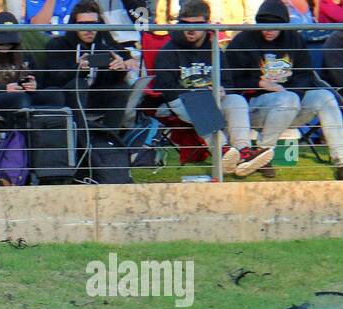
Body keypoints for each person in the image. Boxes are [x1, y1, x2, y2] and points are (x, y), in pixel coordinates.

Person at [154, 0, 275, 177]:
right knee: (200, 101)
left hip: (213, 98)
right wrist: (200, 94)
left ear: (207, 25)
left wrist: (223, 89)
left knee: (236, 100)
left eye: (197, 25)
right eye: (185, 24)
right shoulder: (169, 50)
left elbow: (228, 82)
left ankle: (243, 151)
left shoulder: (214, 49)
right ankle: (222, 151)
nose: (191, 30)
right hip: (181, 101)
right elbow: (166, 87)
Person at [227, 0, 343, 180]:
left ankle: (341, 160)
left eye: (274, 27)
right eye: (264, 26)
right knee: (288, 99)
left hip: (290, 104)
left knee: (325, 97)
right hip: (255, 108)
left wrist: (293, 92)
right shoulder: (243, 40)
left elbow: (305, 75)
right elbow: (230, 79)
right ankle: (262, 154)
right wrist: (259, 83)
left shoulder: (293, 38)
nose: (269, 31)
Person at [42, 0, 139, 127]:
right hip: (64, 97)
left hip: (92, 97)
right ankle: (81, 137)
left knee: (121, 87)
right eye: (83, 24)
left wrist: (119, 71)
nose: (89, 29)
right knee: (79, 84)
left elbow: (107, 81)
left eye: (93, 24)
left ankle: (109, 136)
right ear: (73, 25)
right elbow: (56, 78)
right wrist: (78, 68)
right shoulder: (58, 45)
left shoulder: (102, 48)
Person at [0, 11, 63, 125]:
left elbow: (38, 79)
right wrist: (4, 88)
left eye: (11, 43)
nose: (6, 46)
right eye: (2, 43)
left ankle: (52, 132)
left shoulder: (22, 53)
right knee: (20, 99)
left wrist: (34, 84)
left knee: (55, 94)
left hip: (23, 95)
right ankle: (22, 135)